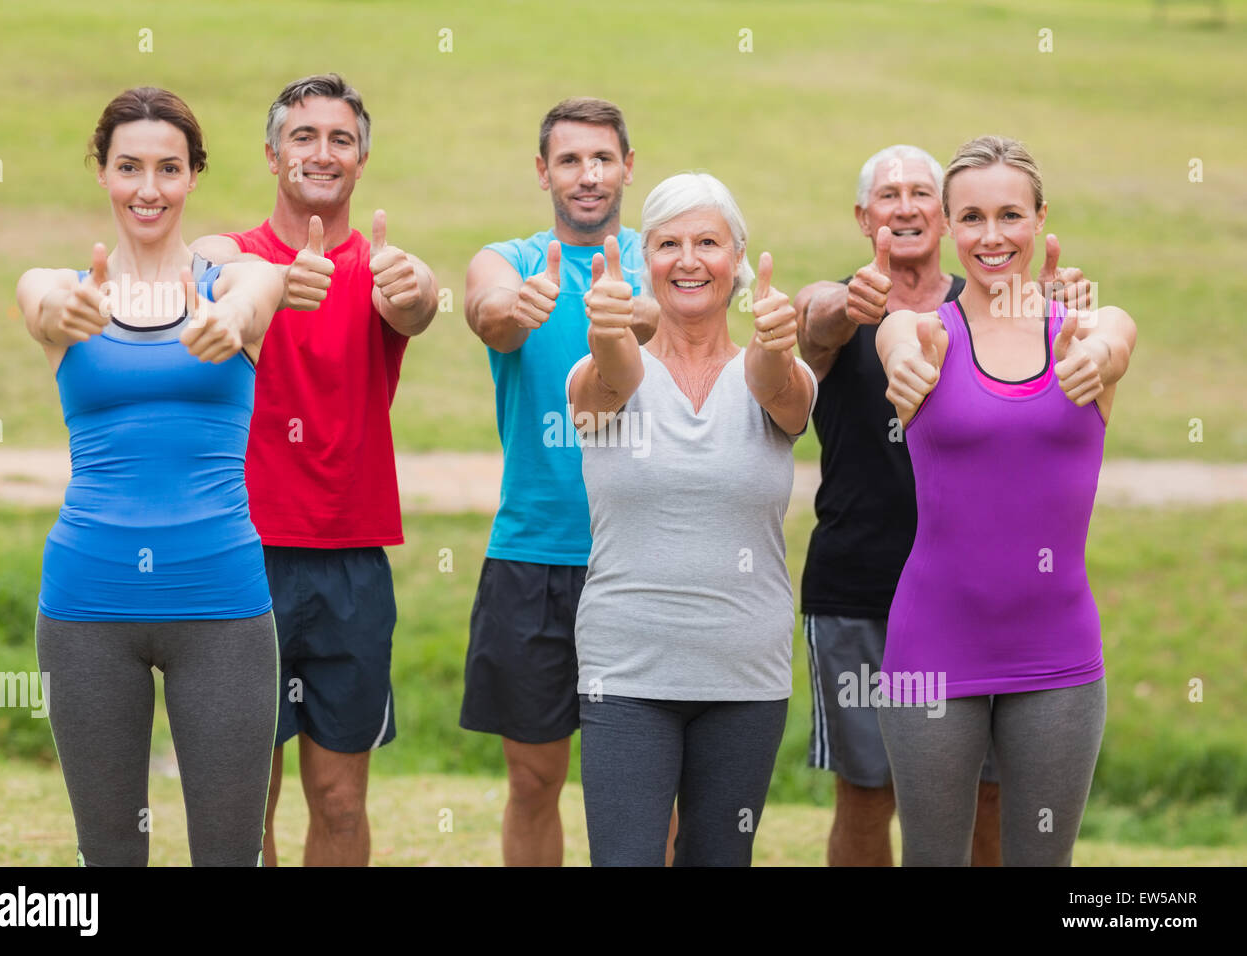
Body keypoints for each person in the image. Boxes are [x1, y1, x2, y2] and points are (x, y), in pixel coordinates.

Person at [794, 144, 1091, 866]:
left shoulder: (996, 305)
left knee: (993, 797)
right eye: (886, 196)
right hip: (863, 590)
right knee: (866, 793)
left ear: (946, 217)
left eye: (920, 193)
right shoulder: (847, 304)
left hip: (988, 601)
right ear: (864, 217)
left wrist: (1070, 317)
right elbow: (814, 324)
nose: (904, 207)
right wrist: (857, 312)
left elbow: (1072, 350)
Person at [16, 87, 284, 866]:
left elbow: (257, 294)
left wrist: (231, 321)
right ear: (101, 172)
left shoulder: (236, 285)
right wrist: (58, 313)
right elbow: (40, 304)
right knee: (107, 853)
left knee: (232, 853)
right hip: (87, 607)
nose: (148, 188)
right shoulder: (61, 285)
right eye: (128, 166)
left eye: (169, 168)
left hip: (224, 607)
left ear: (194, 175)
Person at [190, 73, 439, 866]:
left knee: (338, 803)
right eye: (304, 136)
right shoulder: (232, 262)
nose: (322, 152)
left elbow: (419, 304)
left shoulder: (383, 268)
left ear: (361, 161)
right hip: (241, 557)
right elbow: (204, 263)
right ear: (271, 154)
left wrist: (416, 288)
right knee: (241, 806)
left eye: (341, 139)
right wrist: (240, 275)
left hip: (350, 566)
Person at [874, 135, 1136, 866]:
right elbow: (894, 345)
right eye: (972, 217)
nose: (992, 236)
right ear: (950, 228)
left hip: (1057, 657)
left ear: (1041, 220)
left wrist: (1100, 351)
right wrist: (902, 369)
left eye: (1011, 215)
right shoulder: (921, 332)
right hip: (932, 645)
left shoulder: (1084, 333)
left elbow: (1119, 332)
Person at [568, 172, 816, 866]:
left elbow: (777, 388)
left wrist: (774, 341)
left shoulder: (780, 378)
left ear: (737, 259)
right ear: (645, 261)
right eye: (668, 244)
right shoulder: (597, 377)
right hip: (626, 674)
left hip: (744, 676)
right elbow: (612, 378)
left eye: (707, 242)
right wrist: (607, 331)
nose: (688, 259)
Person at [460, 97, 661, 866]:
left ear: (628, 167)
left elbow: (693, 311)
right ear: (543, 170)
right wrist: (519, 306)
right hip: (533, 553)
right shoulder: (507, 259)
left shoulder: (665, 254)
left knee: (651, 784)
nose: (588, 176)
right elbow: (489, 313)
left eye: (603, 158)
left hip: (645, 554)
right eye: (570, 160)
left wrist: (641, 313)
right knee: (534, 778)